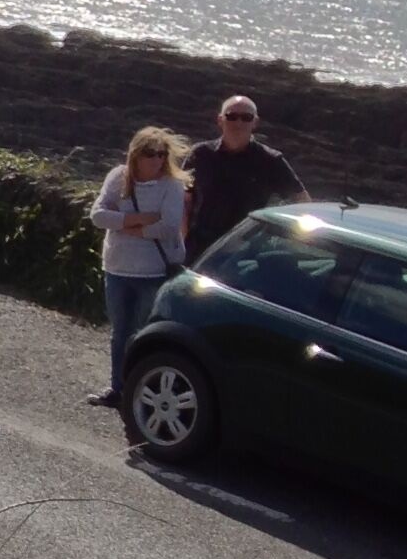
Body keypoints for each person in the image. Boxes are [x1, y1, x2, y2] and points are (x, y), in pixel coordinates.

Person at [89, 126, 188, 411]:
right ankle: (117, 389)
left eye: (161, 154)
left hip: (153, 272)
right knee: (120, 332)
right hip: (117, 268)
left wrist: (125, 225)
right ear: (136, 154)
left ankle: (140, 391)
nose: (157, 159)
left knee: (143, 334)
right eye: (150, 153)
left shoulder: (172, 185)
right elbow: (98, 216)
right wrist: (143, 218)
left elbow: (169, 226)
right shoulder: (118, 177)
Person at [183, 94, 308, 258]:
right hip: (197, 248)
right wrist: (181, 239)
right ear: (220, 120)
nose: (238, 123)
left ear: (255, 122)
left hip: (244, 252)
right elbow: (183, 200)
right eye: (231, 116)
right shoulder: (201, 154)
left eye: (246, 117)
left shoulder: (270, 160)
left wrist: (283, 239)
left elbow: (301, 200)